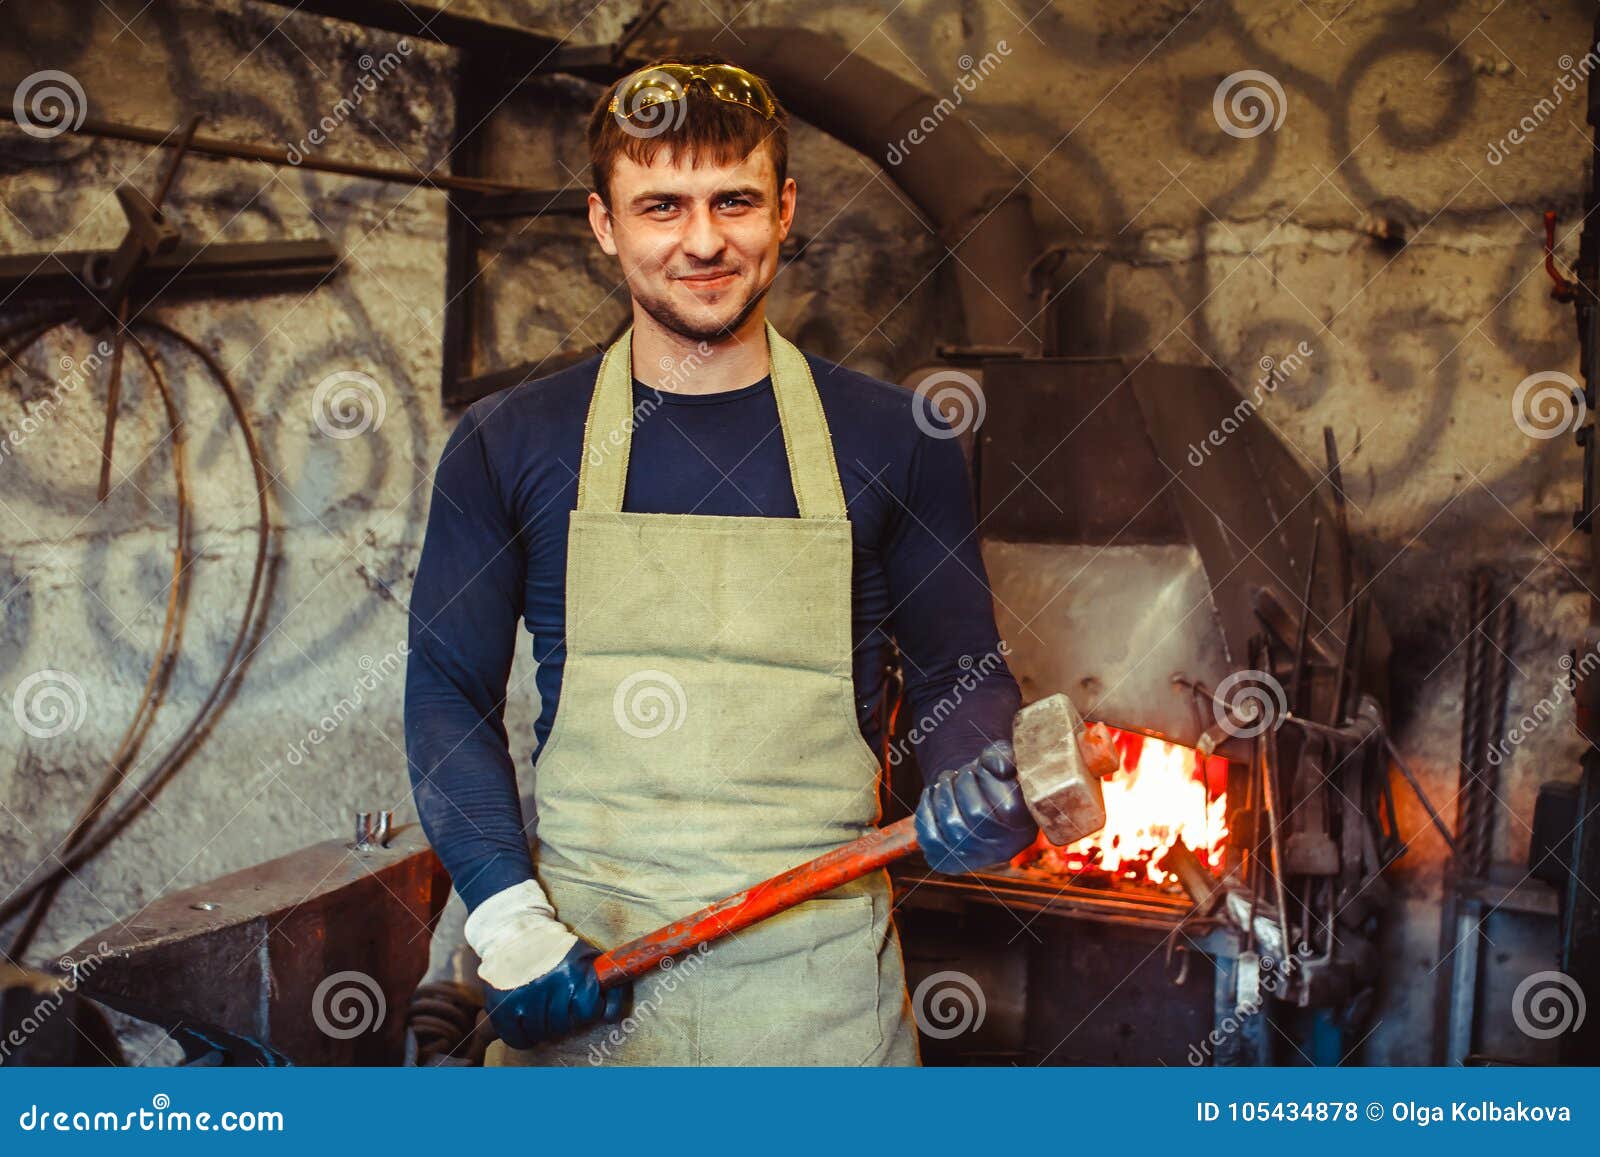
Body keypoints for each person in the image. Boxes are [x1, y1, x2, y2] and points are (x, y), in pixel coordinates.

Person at [403, 55, 1033, 1067]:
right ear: (605, 225)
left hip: (818, 999)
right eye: (661, 206)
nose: (703, 241)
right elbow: (445, 691)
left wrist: (977, 777)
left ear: (783, 209)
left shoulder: (896, 437)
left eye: (732, 199)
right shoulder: (508, 442)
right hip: (581, 983)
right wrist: (509, 919)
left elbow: (960, 666)